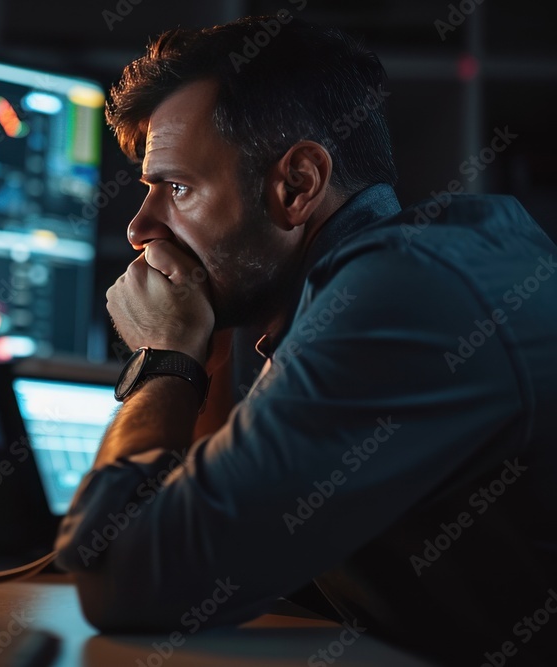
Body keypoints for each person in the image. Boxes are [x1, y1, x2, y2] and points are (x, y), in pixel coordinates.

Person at [53, 15, 557, 666]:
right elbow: (233, 556)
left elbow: (122, 574)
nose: (140, 226)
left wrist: (163, 357)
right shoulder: (374, 285)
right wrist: (200, 353)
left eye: (177, 187)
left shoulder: (404, 296)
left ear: (297, 184)